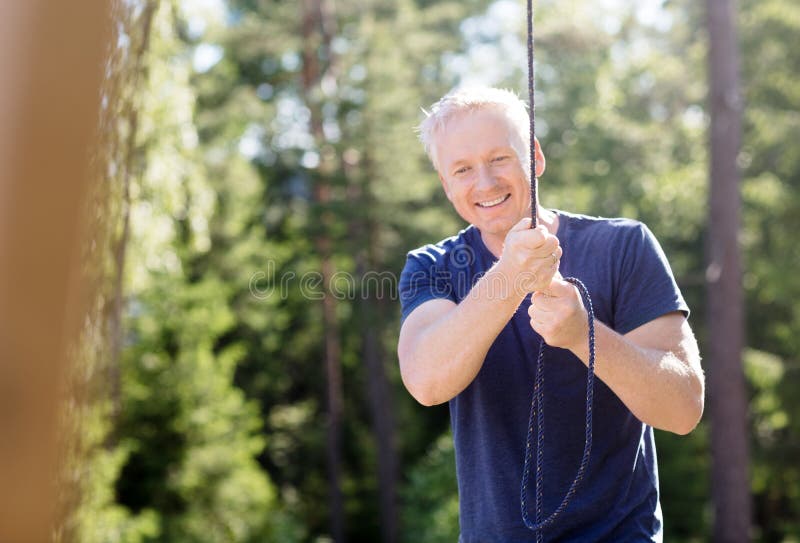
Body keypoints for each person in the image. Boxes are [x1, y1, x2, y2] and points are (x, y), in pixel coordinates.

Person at [397, 87, 704, 542]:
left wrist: (584, 334)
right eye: (462, 169)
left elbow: (683, 408)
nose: (484, 182)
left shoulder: (624, 246)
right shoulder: (433, 267)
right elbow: (426, 381)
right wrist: (509, 278)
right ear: (446, 184)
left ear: (535, 158)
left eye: (500, 158)